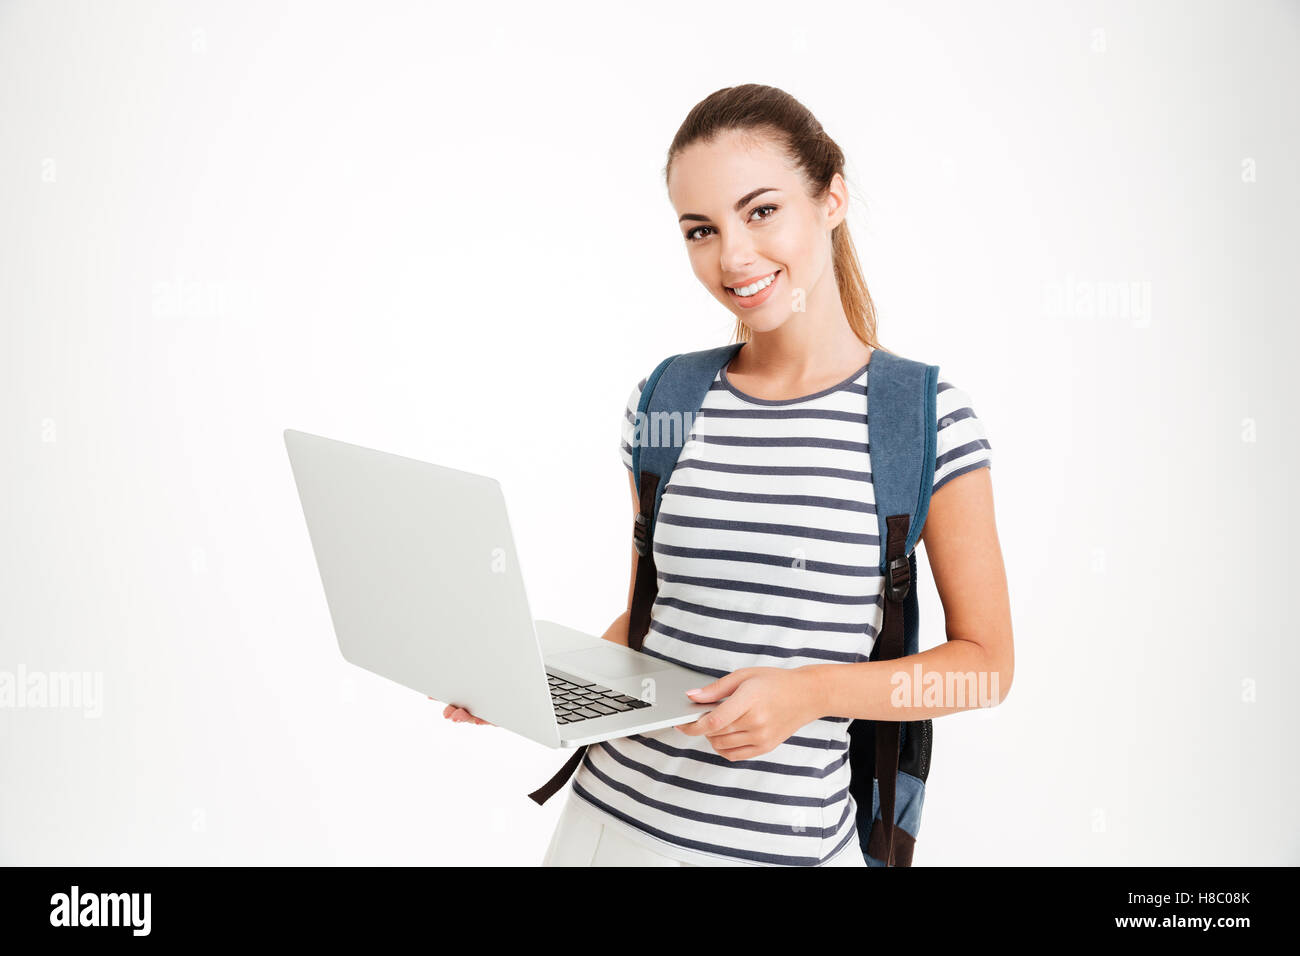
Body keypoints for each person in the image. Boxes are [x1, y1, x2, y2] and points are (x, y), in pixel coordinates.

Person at [439, 83, 1014, 867]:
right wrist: (535, 688)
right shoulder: (665, 399)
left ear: (832, 197)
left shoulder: (922, 418)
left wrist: (808, 693)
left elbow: (984, 670)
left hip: (783, 849)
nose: (734, 255)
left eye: (762, 211)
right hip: (605, 828)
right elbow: (649, 623)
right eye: (700, 229)